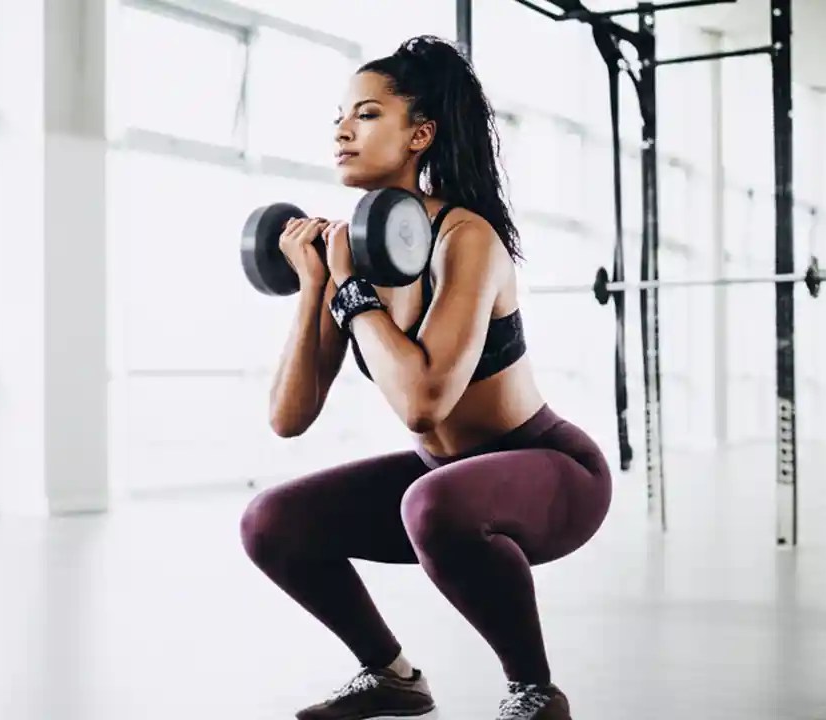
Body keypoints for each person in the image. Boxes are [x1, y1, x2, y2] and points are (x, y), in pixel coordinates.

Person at [239, 35, 613, 720]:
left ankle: (535, 690)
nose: (343, 130)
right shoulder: (346, 251)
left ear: (421, 133)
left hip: (551, 470)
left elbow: (422, 401)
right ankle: (391, 675)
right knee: (271, 522)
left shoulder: (464, 236)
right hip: (446, 480)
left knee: (433, 502)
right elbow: (288, 418)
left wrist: (349, 286)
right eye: (339, 117)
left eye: (368, 113)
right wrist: (314, 286)